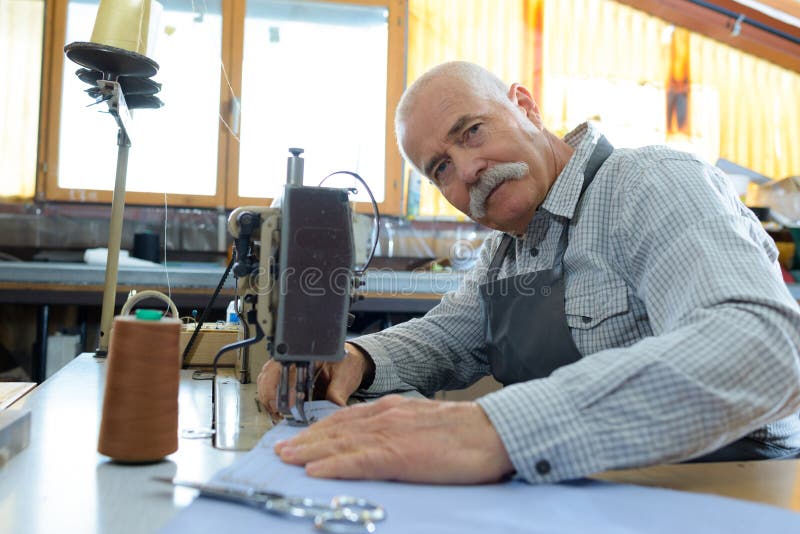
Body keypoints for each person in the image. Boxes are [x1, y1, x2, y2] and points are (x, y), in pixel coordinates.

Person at [257, 61, 800, 485]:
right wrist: (355, 359)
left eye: (471, 131)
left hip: (726, 491)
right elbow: (447, 338)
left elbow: (764, 347)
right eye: (440, 167)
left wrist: (498, 430)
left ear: (524, 105)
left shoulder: (651, 184)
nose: (468, 170)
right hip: (590, 497)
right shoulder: (508, 249)